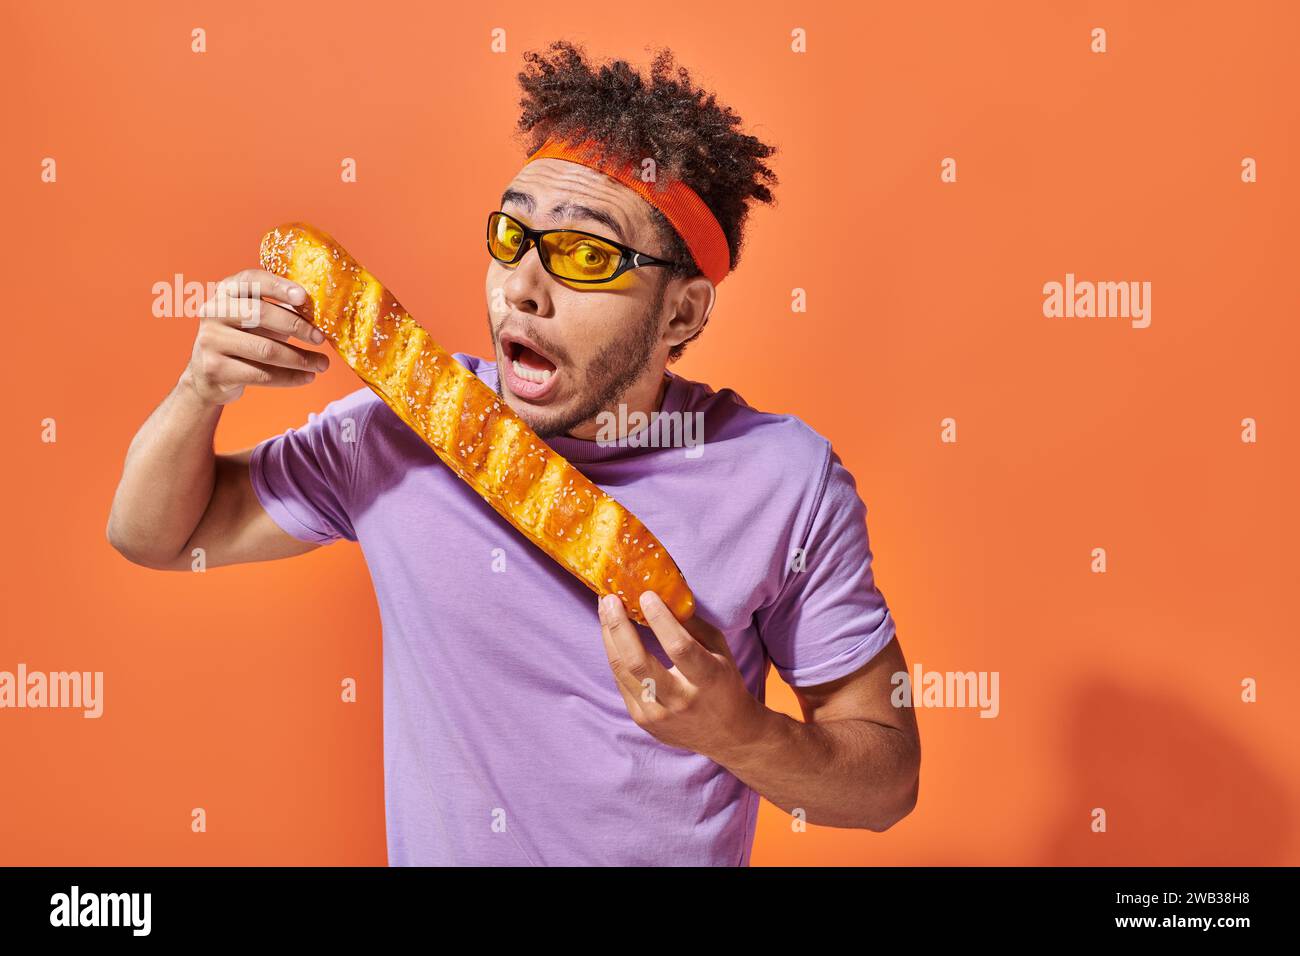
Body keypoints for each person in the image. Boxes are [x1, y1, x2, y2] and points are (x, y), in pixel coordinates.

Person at [106, 40, 919, 865]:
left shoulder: (783, 481)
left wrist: (740, 734)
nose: (523, 285)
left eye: (588, 255)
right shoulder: (401, 432)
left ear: (683, 315)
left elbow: (887, 781)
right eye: (514, 235)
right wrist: (199, 390)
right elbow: (159, 535)